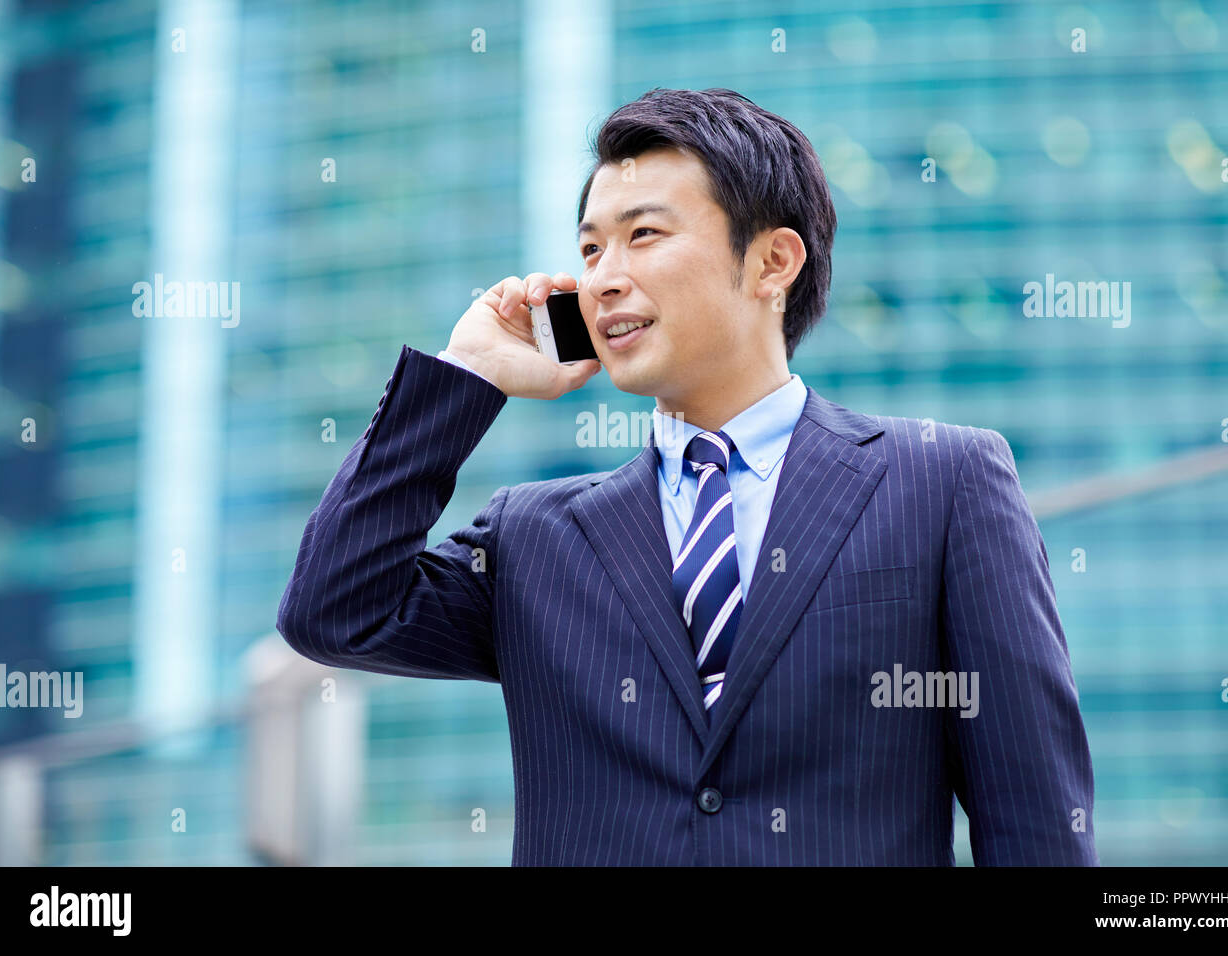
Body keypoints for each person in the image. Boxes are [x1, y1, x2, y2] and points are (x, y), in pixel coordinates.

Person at [277, 87, 1098, 866]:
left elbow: (1033, 817)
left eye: (644, 236)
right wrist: (465, 376)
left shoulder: (942, 483)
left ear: (773, 261)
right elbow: (333, 611)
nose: (601, 277)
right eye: (590, 248)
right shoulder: (533, 537)